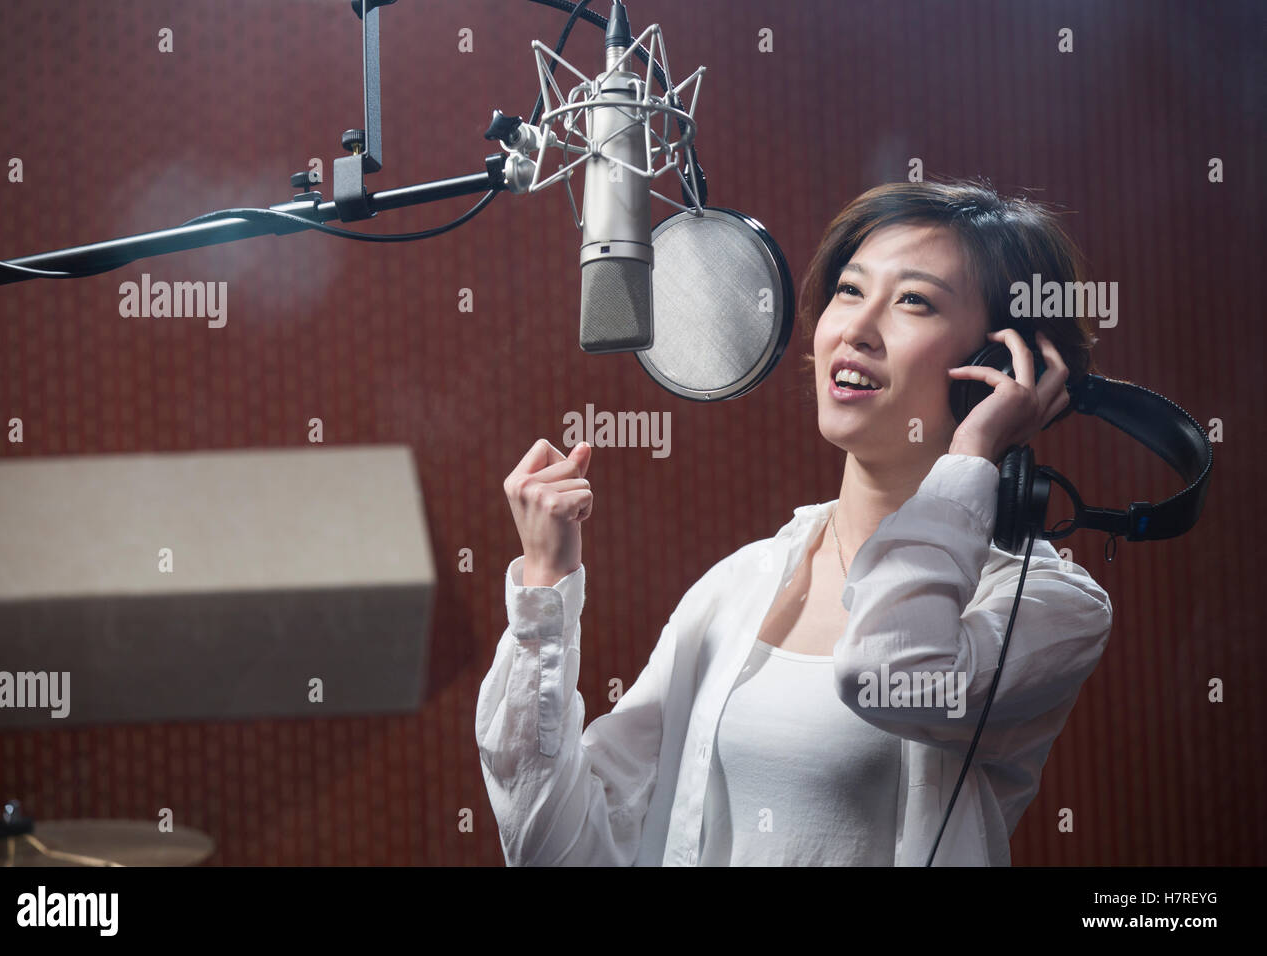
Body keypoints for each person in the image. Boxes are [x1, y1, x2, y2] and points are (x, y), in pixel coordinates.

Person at [474, 179, 1114, 866]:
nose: (857, 330)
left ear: (996, 366)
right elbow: (552, 852)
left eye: (914, 301)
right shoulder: (739, 585)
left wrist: (974, 457)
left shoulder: (1044, 604)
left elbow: (885, 669)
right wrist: (545, 594)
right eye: (849, 289)